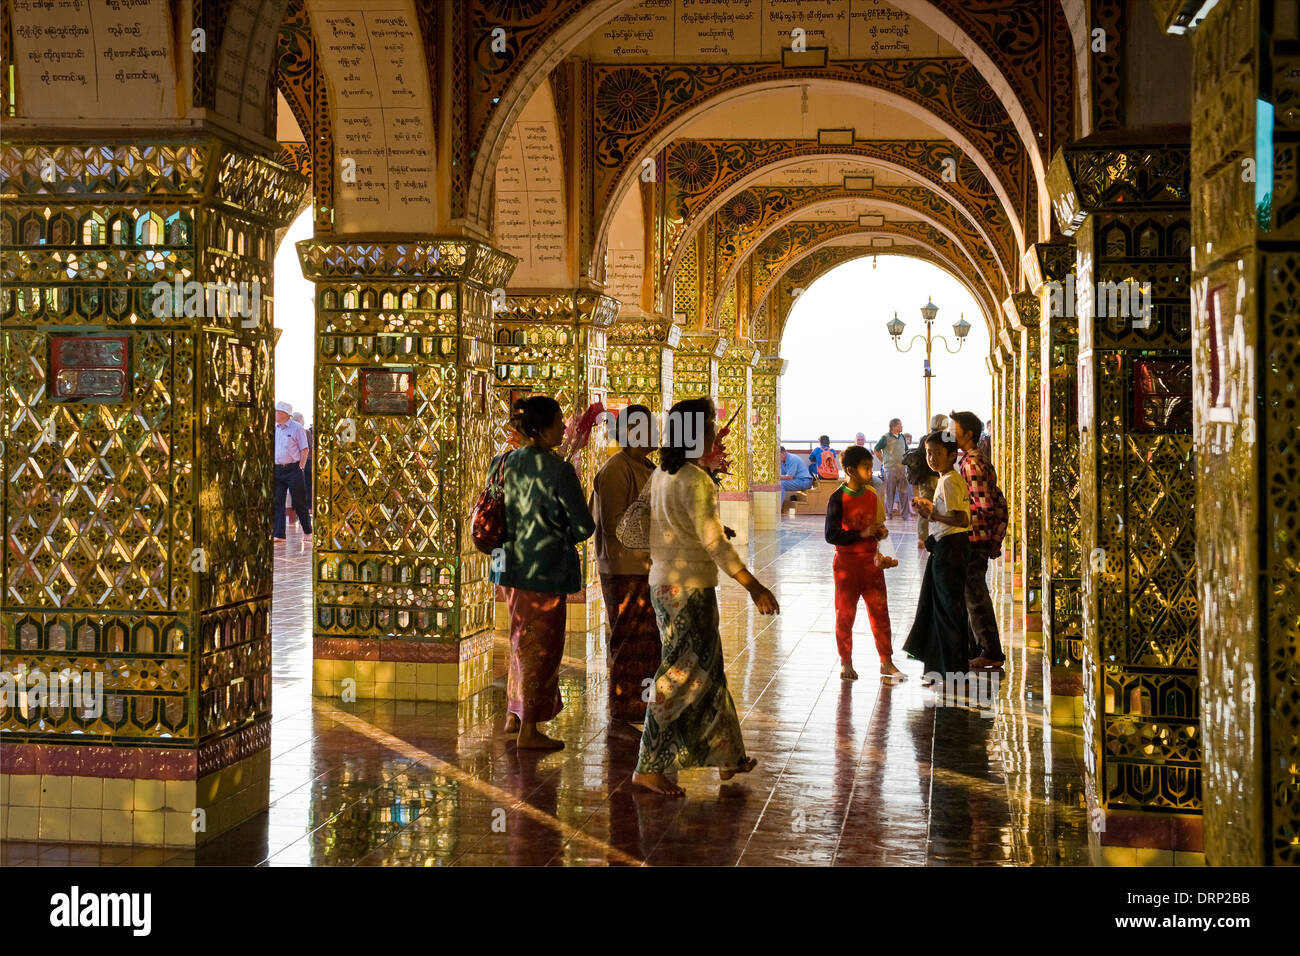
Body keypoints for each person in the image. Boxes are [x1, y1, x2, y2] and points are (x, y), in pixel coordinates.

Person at [633, 397, 780, 796]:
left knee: (709, 672)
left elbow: (676, 527)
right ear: (695, 433)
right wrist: (754, 586)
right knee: (677, 676)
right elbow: (715, 544)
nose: (715, 433)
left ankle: (728, 756)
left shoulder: (663, 474)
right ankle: (647, 766)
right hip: (687, 590)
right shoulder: (696, 480)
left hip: (665, 584)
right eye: (711, 426)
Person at [492, 396, 596, 750]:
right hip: (545, 572)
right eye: (558, 422)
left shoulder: (502, 462)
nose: (565, 427)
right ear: (541, 428)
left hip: (508, 568)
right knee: (541, 650)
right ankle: (529, 730)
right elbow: (583, 526)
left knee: (519, 641)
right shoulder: (559, 471)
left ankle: (514, 714)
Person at [591, 405, 660, 738]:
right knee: (629, 641)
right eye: (649, 428)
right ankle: (621, 714)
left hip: (647, 566)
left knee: (649, 643)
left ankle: (644, 707)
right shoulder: (616, 469)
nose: (656, 434)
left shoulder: (647, 467)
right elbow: (614, 525)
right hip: (624, 568)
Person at [825, 445, 905, 683]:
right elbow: (831, 535)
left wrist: (880, 535)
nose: (871, 472)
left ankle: (886, 660)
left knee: (880, 613)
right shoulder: (837, 498)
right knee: (845, 614)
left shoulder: (871, 495)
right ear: (850, 470)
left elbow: (879, 526)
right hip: (846, 565)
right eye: (866, 468)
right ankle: (846, 661)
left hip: (871, 564)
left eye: (871, 467)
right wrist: (861, 534)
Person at [902, 432, 975, 680]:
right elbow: (952, 513)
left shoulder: (949, 481)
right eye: (928, 453)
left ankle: (953, 671)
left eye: (938, 453)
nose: (932, 458)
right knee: (941, 608)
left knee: (948, 611)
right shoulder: (947, 479)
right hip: (949, 545)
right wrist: (930, 508)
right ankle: (943, 669)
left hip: (951, 548)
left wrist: (931, 515)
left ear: (952, 455)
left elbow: (961, 519)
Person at [951, 410, 1006, 670]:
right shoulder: (972, 459)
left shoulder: (971, 463)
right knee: (971, 594)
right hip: (978, 536)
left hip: (975, 537)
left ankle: (991, 650)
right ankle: (977, 649)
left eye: (954, 430)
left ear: (968, 434)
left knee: (975, 596)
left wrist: (955, 516)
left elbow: (983, 505)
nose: (950, 435)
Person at [908, 414, 950, 547]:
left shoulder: (924, 438)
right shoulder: (945, 437)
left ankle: (922, 538)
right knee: (942, 506)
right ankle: (940, 534)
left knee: (924, 506)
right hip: (938, 476)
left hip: (924, 478)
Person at [273, 400, 312, 541]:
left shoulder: (297, 428)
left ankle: (307, 531)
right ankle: (279, 534)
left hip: (294, 469)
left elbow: (304, 449)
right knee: (278, 501)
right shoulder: (275, 428)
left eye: (277, 412)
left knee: (299, 501)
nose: (275, 414)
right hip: (278, 470)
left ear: (285, 414)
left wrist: (301, 467)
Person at [874, 419, 911, 518]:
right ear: (894, 426)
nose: (902, 427)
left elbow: (906, 450)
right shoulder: (885, 437)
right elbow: (876, 449)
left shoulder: (902, 437)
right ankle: (889, 514)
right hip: (890, 469)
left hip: (902, 468)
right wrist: (883, 461)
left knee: (904, 492)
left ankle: (905, 515)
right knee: (890, 492)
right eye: (900, 425)